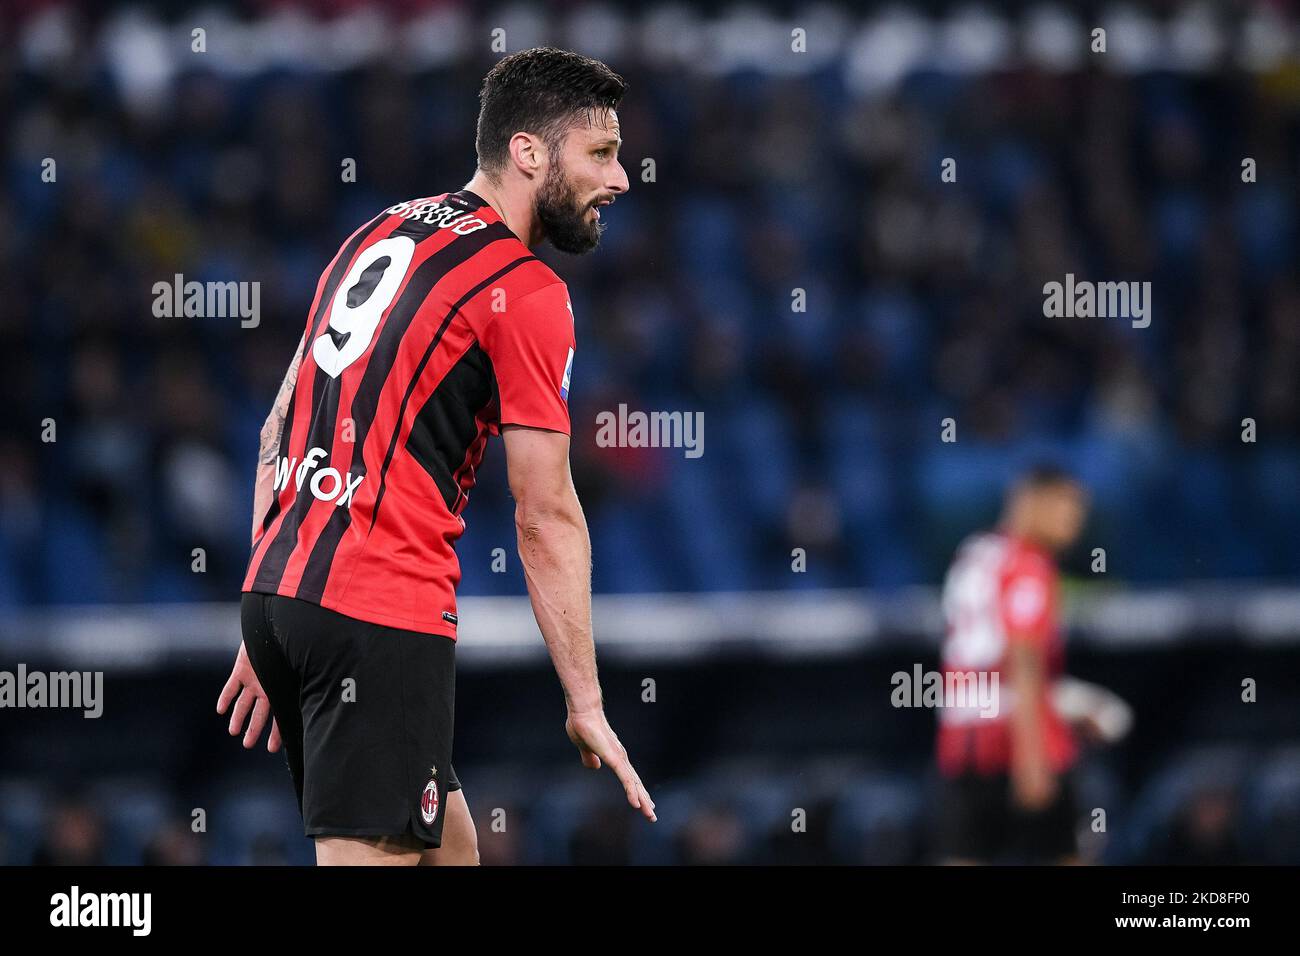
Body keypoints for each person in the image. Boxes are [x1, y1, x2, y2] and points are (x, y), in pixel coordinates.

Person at [217, 47, 655, 866]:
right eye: (601, 153)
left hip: (289, 593)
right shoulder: (526, 291)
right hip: (376, 613)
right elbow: (545, 512)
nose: (622, 178)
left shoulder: (379, 229)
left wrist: (271, 594)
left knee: (455, 854)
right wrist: (586, 699)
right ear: (529, 152)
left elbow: (282, 425)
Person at [934, 465, 1088, 864]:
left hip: (962, 735)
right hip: (1015, 736)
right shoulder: (1029, 565)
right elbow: (1022, 657)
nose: (1075, 523)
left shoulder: (974, 552)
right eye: (1066, 508)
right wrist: (1033, 758)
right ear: (1033, 503)